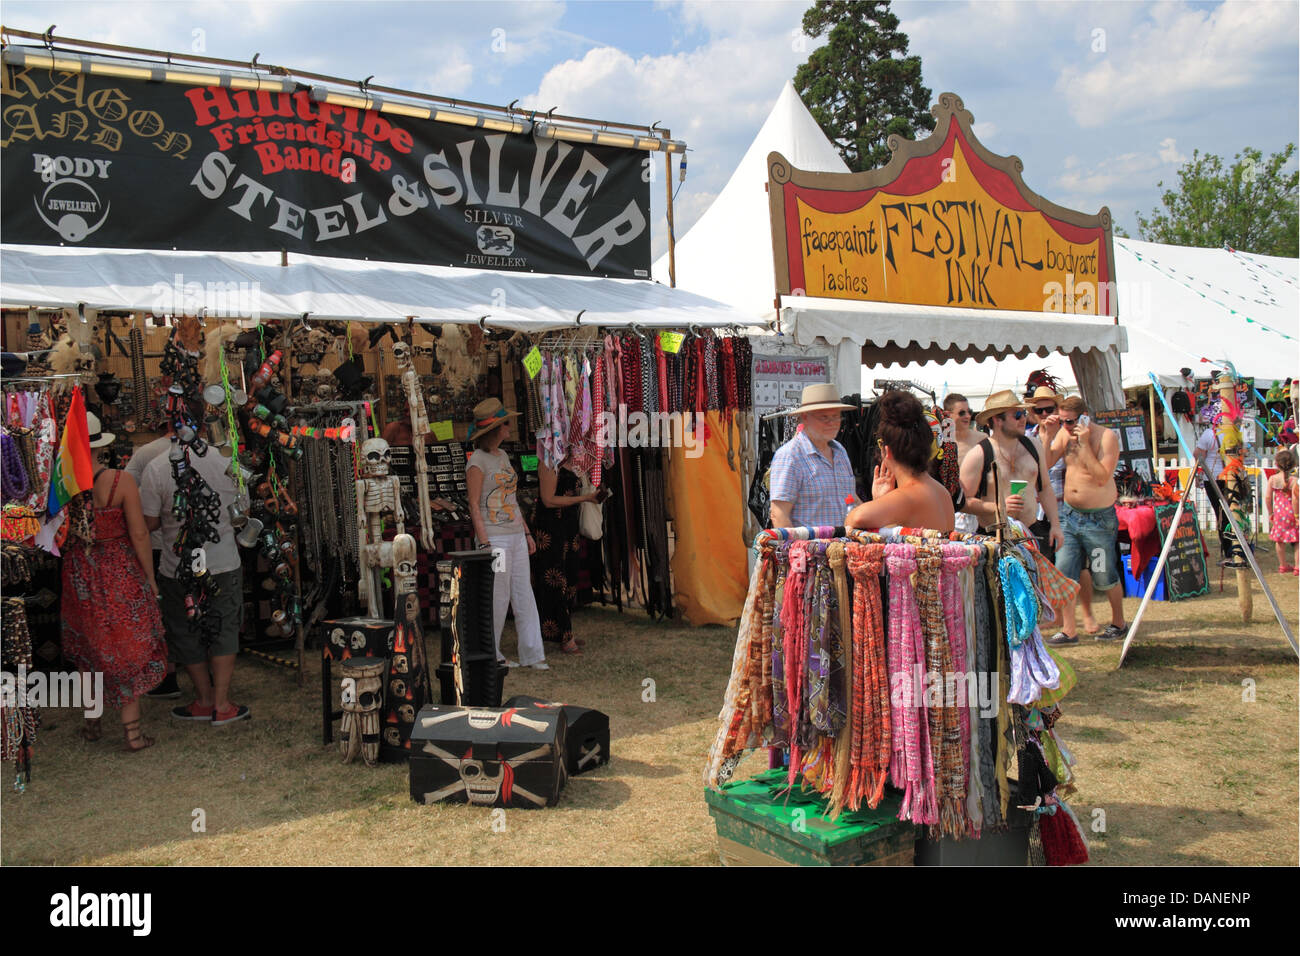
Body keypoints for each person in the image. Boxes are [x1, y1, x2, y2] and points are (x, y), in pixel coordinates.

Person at [61, 412, 168, 751]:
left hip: (80, 572)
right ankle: (132, 733)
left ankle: (92, 725)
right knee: (127, 650)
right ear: (100, 446)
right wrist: (150, 578)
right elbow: (139, 533)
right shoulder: (120, 482)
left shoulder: (62, 482)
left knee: (89, 650)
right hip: (118, 570)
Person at [139, 424, 250, 724]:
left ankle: (204, 699)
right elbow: (244, 509)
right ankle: (221, 703)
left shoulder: (156, 467)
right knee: (224, 626)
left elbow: (148, 524)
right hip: (222, 561)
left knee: (186, 629)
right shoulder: (226, 460)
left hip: (178, 565)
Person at [466, 397, 548, 670]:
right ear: (496, 428)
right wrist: (484, 542)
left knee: (523, 591)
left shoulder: (501, 456)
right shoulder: (477, 461)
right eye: (505, 424)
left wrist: (526, 533)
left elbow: (511, 499)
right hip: (495, 537)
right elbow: (474, 504)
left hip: (512, 533)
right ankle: (493, 654)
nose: (509, 428)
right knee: (498, 596)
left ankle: (533, 654)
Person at [1047, 396, 1127, 645]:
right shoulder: (1063, 434)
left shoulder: (1106, 437)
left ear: (1084, 418)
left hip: (1099, 522)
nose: (1066, 426)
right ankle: (1069, 630)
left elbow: (1102, 476)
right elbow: (1046, 463)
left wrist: (1083, 445)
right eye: (1062, 421)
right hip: (1070, 517)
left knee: (1104, 574)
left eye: (1070, 422)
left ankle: (1119, 623)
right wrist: (1048, 436)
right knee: (1065, 572)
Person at [960, 390, 1062, 554]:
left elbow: (1045, 488)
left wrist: (1056, 525)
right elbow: (963, 502)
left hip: (1031, 533)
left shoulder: (1034, 446)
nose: (1023, 419)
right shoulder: (979, 454)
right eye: (1017, 415)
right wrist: (998, 507)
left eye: (1023, 413)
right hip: (995, 538)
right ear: (997, 420)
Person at [125, 427, 182, 700]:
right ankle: (203, 672)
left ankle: (167, 676)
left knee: (163, 614)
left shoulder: (145, 454)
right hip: (194, 544)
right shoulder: (207, 449)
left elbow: (129, 498)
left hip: (159, 544)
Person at [846, 391, 955, 533]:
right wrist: (882, 500)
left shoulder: (907, 497)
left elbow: (854, 519)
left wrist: (881, 501)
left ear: (887, 450)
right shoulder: (941, 492)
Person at [531, 457, 599, 655]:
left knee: (569, 580)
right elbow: (549, 500)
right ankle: (564, 634)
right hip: (551, 530)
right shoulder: (548, 462)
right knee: (555, 581)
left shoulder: (572, 461)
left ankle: (563, 631)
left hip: (569, 527)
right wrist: (584, 499)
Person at [768, 383, 857, 528]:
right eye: (824, 417)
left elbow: (850, 498)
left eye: (836, 417)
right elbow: (779, 513)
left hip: (843, 547)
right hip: (810, 549)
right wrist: (795, 548)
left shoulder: (840, 451)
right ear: (805, 417)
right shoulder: (790, 456)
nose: (832, 423)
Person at [1194, 419, 1231, 555]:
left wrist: (1199, 474)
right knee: (1230, 512)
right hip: (1231, 477)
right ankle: (1234, 546)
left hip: (1213, 477)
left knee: (1220, 513)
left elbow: (1198, 455)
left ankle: (1227, 548)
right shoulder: (1235, 432)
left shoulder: (1210, 434)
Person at [1266, 448, 1298, 575]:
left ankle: (1283, 565)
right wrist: (1297, 515)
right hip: (1291, 511)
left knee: (1279, 540)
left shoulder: (1272, 479)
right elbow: (1295, 499)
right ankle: (1297, 566)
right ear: (1294, 465)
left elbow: (1268, 497)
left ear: (1276, 464)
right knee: (1297, 540)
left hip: (1278, 513)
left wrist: (1270, 513)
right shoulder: (1294, 480)